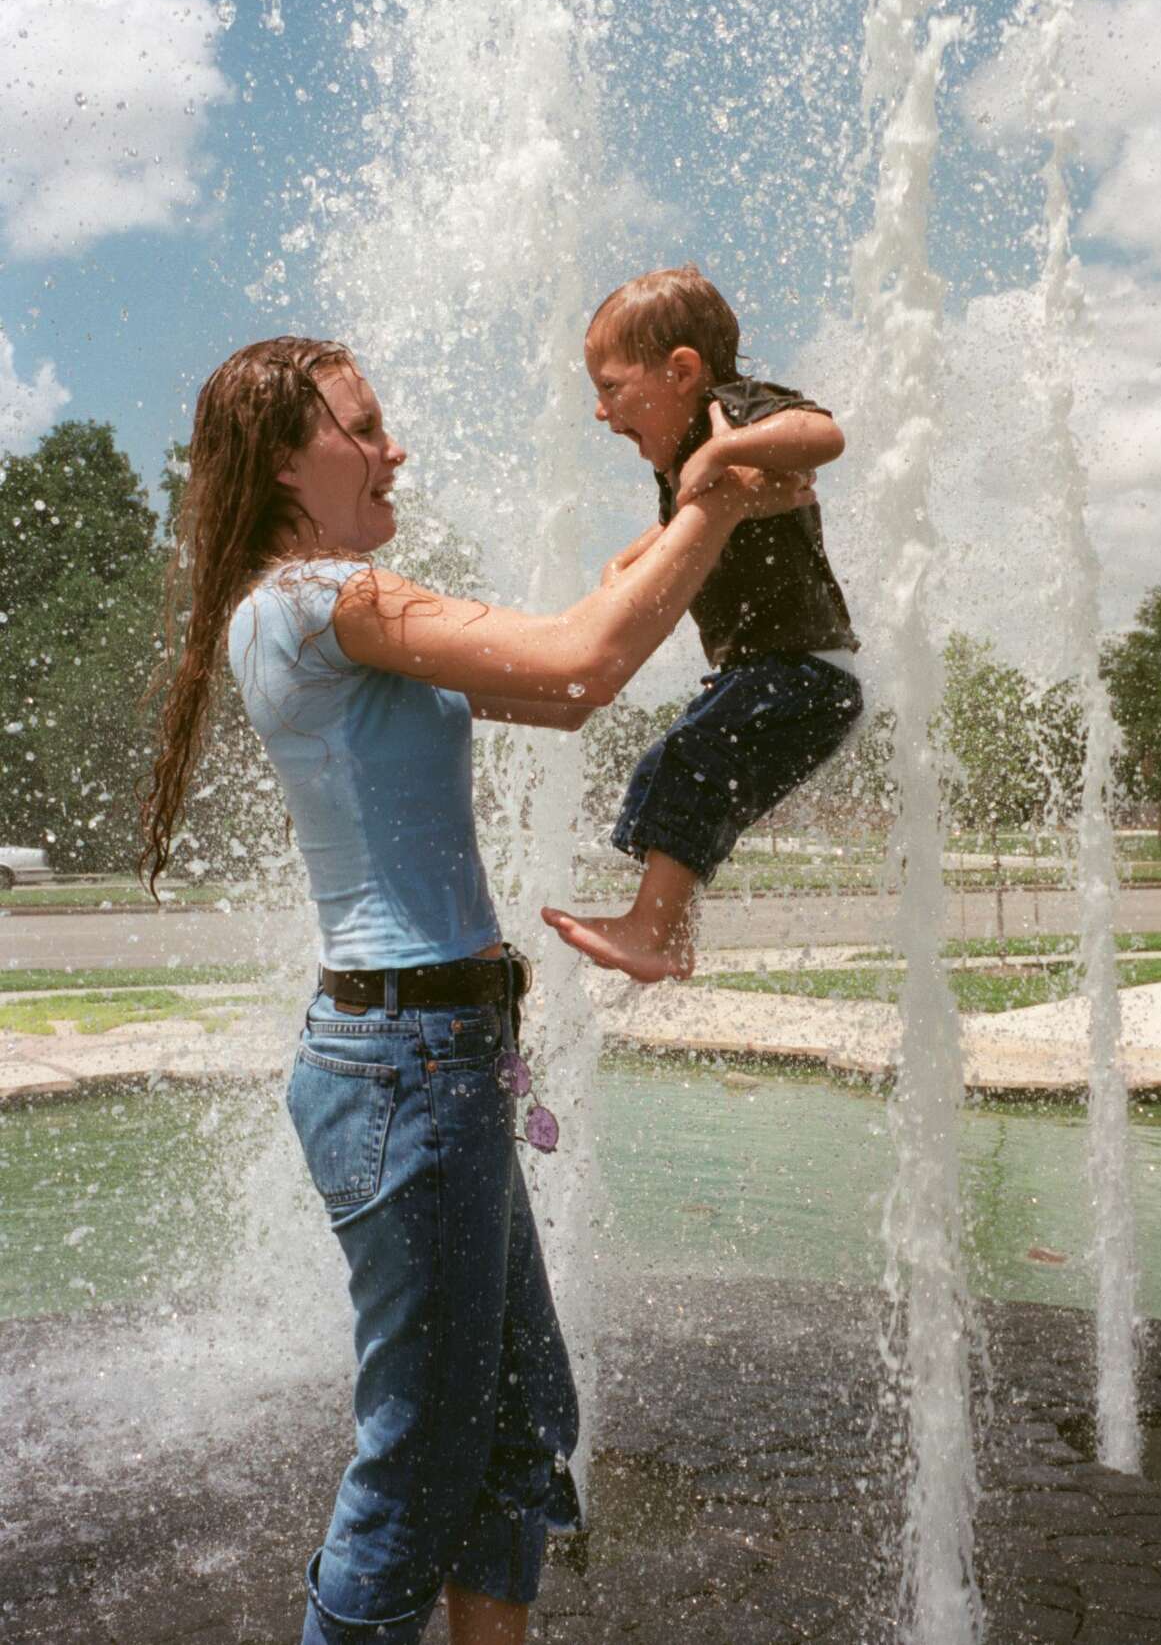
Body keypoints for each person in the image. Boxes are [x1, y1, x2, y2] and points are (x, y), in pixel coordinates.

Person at [139, 335, 812, 1645]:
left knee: (514, 1433)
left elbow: (563, 686)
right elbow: (578, 666)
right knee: (413, 1472)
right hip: (408, 1066)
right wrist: (714, 495)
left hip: (434, 1054)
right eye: (364, 425)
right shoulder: (317, 601)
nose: (393, 449)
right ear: (288, 457)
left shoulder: (318, 612)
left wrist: (679, 534)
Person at [542, 265, 864, 983]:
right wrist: (629, 559)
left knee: (694, 756)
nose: (600, 411)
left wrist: (727, 448)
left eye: (611, 387)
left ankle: (653, 930)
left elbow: (825, 434)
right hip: (770, 671)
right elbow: (678, 527)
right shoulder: (684, 460)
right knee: (673, 763)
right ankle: (668, 926)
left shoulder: (731, 411)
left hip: (805, 669)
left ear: (682, 370)